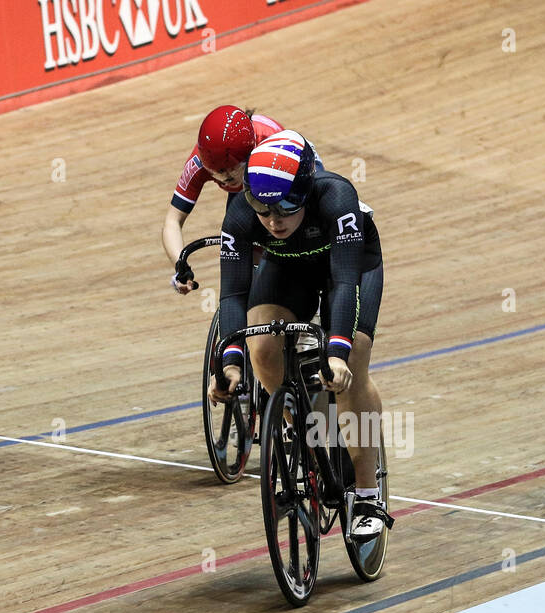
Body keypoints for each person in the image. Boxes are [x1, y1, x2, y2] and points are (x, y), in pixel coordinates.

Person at [212, 131, 393, 538]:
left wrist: (337, 354)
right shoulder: (241, 215)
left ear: (307, 192)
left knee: (351, 365)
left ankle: (366, 493)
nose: (273, 221)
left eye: (285, 208)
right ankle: (308, 434)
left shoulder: (337, 198)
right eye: (263, 209)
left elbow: (345, 283)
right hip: (288, 266)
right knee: (261, 350)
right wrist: (229, 363)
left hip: (349, 265)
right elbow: (233, 293)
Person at [161, 105, 284, 295]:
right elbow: (172, 221)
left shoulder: (271, 142)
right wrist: (180, 266)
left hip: (275, 175)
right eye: (218, 173)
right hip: (244, 193)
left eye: (234, 169)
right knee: (242, 245)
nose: (227, 177)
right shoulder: (198, 163)